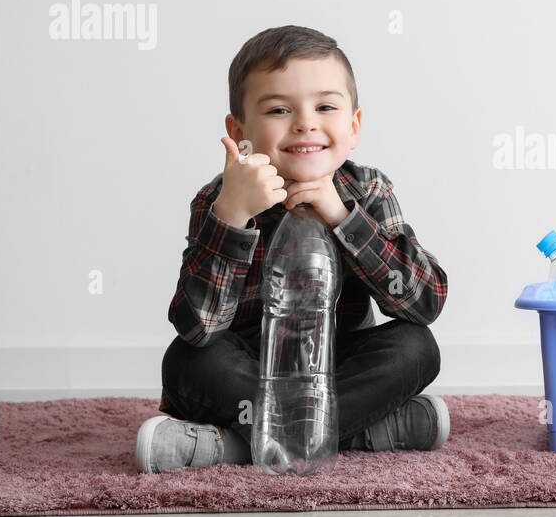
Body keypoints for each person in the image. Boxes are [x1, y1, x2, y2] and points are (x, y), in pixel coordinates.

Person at [135, 25, 449, 473]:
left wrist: (345, 218)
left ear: (354, 125)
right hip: (252, 368)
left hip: (339, 365)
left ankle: (239, 447)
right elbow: (198, 327)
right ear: (238, 131)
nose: (305, 123)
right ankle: (358, 433)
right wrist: (232, 217)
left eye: (325, 106)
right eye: (279, 109)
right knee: (187, 360)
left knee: (415, 347)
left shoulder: (368, 190)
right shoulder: (218, 199)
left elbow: (425, 302)